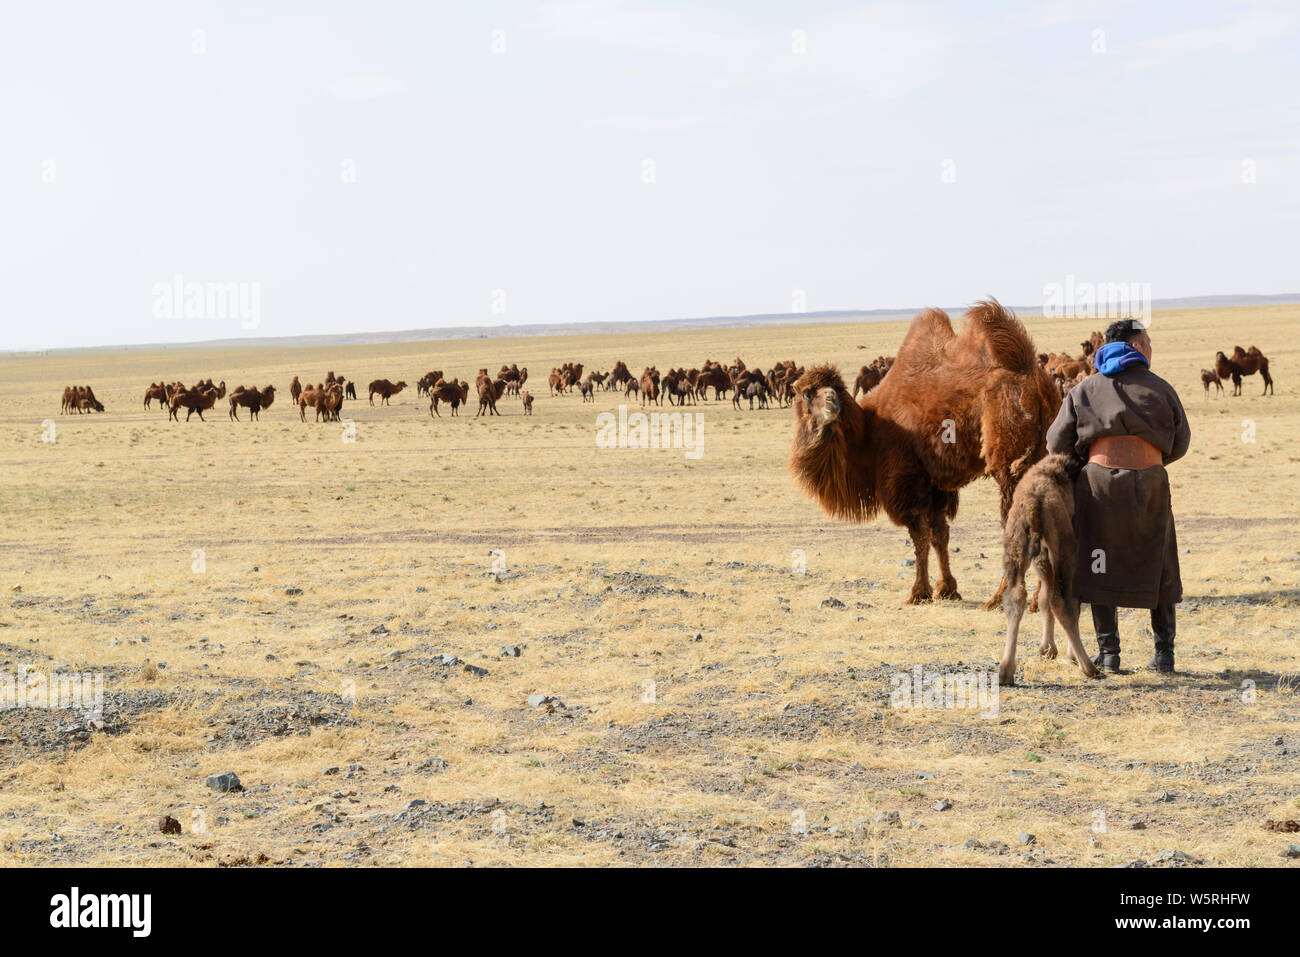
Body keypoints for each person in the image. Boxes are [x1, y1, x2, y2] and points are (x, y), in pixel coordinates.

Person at [1045, 318, 1191, 673]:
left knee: (1099, 561)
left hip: (1099, 486)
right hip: (1151, 483)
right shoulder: (1161, 388)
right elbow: (1181, 441)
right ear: (1135, 347)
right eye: (1148, 342)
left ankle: (1109, 654)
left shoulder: (1084, 390)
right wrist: (1147, 461)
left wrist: (1092, 463)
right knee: (1159, 560)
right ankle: (1164, 655)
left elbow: (1055, 443)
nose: (1151, 348)